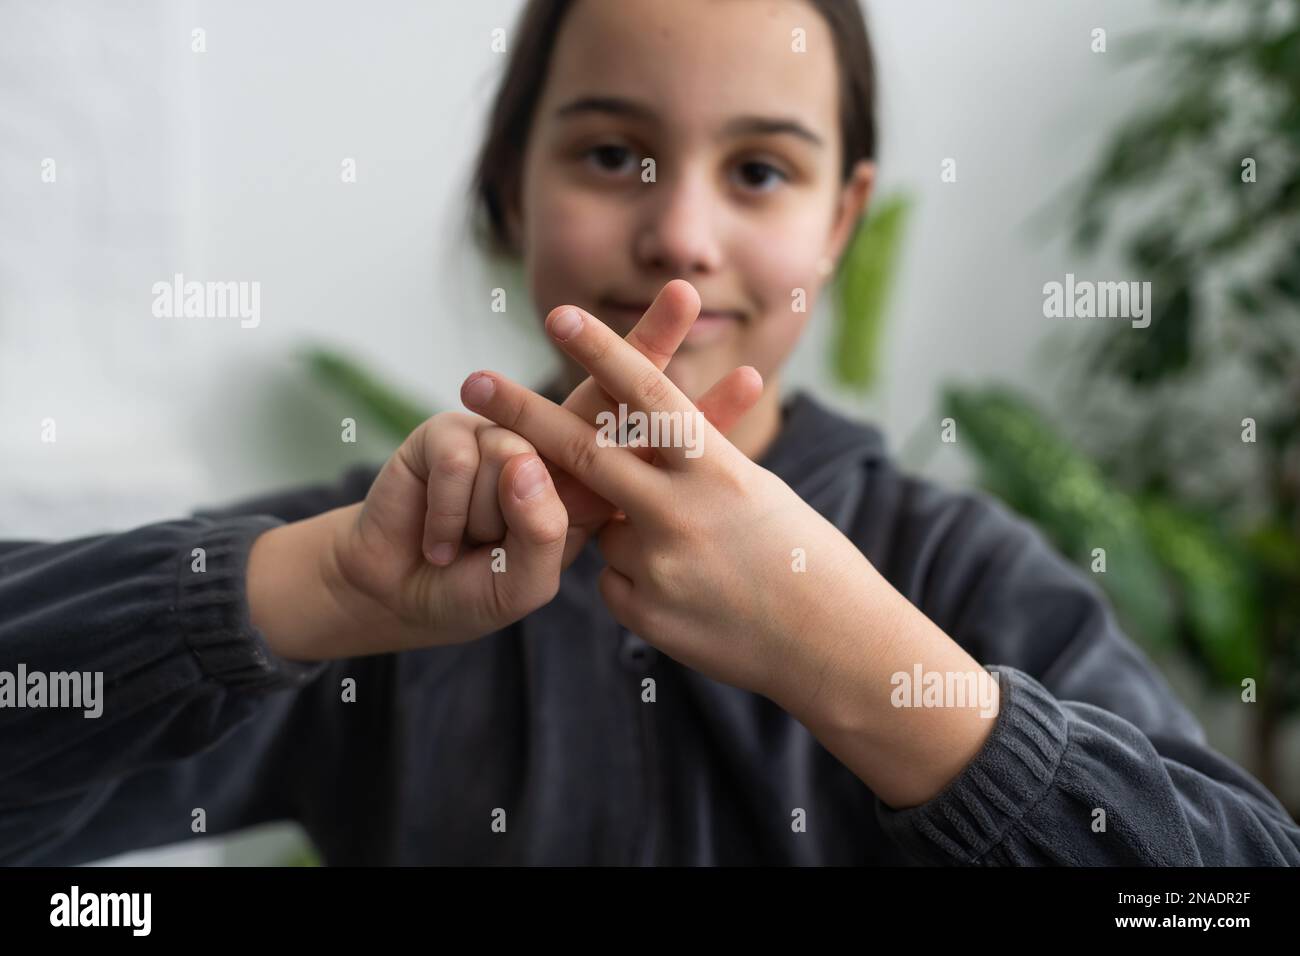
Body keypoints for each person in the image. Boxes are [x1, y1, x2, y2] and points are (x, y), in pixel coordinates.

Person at [3, 0, 1298, 866]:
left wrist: (870, 674)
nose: (680, 232)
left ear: (841, 221)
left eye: (758, 171)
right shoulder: (391, 562)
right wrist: (317, 586)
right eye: (613, 153)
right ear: (510, 188)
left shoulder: (955, 572)